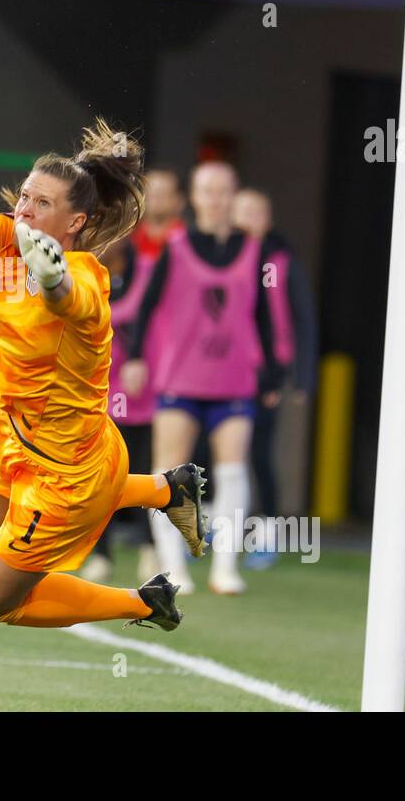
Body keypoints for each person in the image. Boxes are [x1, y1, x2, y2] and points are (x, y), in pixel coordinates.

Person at [0, 120, 208, 633]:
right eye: (25, 195)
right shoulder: (14, 241)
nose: (23, 209)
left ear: (76, 222)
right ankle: (165, 491)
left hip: (67, 475)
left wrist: (55, 280)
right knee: (11, 558)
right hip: (17, 434)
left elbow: (76, 300)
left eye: (41, 204)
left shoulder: (84, 274)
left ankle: (146, 601)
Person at [122, 160, 294, 595]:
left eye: (223, 190)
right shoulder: (175, 248)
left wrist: (273, 372)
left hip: (233, 381)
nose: (216, 198)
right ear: (194, 198)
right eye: (207, 190)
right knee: (169, 474)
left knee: (233, 472)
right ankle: (174, 566)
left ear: (233, 197)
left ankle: (225, 568)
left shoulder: (255, 251)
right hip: (180, 379)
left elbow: (263, 315)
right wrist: (137, 356)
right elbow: (146, 306)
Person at [80, 168, 187, 585]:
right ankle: (101, 553)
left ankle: (148, 547)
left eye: (119, 229)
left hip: (146, 389)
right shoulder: (83, 274)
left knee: (147, 471)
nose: (111, 239)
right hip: (99, 393)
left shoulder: (150, 268)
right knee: (99, 476)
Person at [231, 186, 315, 569]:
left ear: (267, 219)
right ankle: (215, 530)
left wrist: (301, 377)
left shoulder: (279, 261)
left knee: (260, 455)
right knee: (214, 454)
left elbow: (302, 318)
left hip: (266, 376)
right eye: (240, 211)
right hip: (222, 373)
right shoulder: (223, 257)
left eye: (254, 212)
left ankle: (267, 535)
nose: (246, 219)